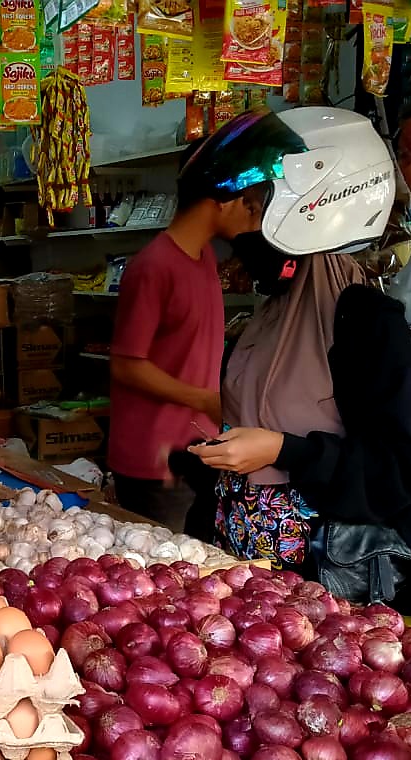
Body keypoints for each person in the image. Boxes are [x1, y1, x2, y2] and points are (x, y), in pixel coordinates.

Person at [188, 107, 411, 627]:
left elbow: (399, 469)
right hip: (258, 587)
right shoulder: (273, 312)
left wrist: (285, 451)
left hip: (334, 596)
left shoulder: (364, 321)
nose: (241, 225)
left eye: (256, 205)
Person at [108, 122, 279, 532]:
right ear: (221, 201)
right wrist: (204, 399)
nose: (255, 216)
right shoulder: (154, 266)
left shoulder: (203, 259)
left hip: (193, 451)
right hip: (153, 461)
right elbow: (126, 365)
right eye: (250, 203)